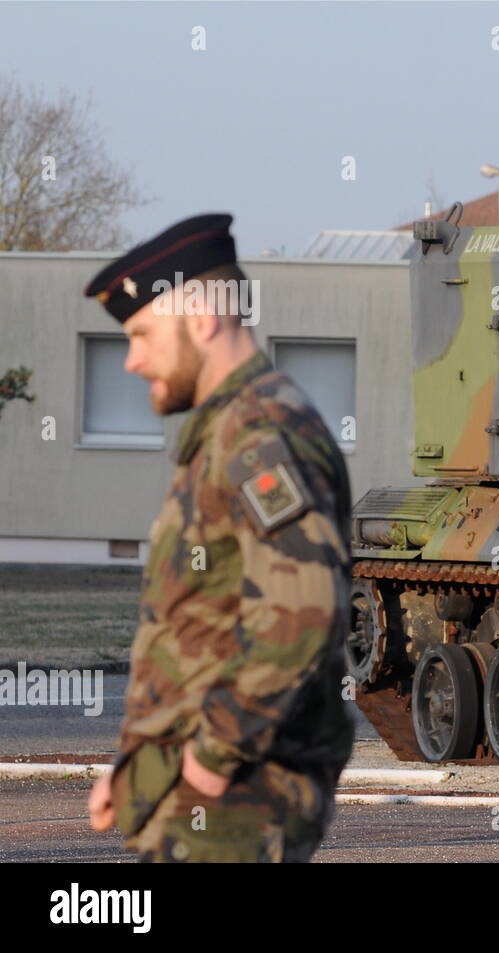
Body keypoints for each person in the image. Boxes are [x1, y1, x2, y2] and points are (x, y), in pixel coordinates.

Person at [83, 213, 355, 862]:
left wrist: (210, 760)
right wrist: (138, 768)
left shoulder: (259, 432)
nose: (131, 360)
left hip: (239, 797)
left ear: (202, 317)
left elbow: (303, 609)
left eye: (142, 334)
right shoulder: (231, 428)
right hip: (204, 792)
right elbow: (199, 622)